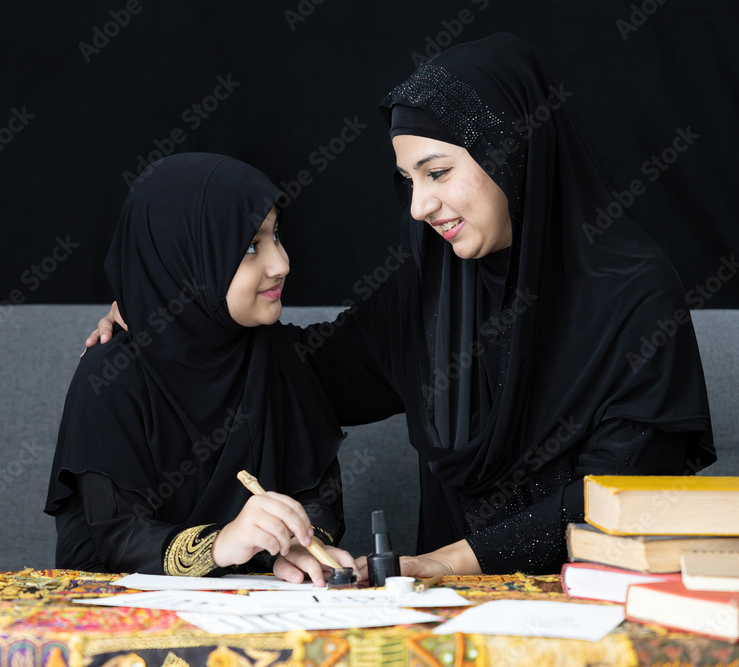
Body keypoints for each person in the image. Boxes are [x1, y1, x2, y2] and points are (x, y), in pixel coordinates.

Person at [85, 34, 715, 577]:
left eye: (437, 173)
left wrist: (447, 563)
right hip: (436, 623)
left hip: (588, 610)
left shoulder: (636, 298)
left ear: (511, 151)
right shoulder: (435, 289)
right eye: (408, 181)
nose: (418, 207)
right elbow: (303, 372)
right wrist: (170, 310)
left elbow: (622, 499)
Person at [45, 153, 358, 586]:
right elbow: (115, 535)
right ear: (185, 259)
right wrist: (221, 544)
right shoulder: (111, 373)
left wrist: (300, 541)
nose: (281, 263)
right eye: (251, 245)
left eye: (276, 236)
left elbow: (315, 489)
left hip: (259, 611)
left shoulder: (277, 355)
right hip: (125, 616)